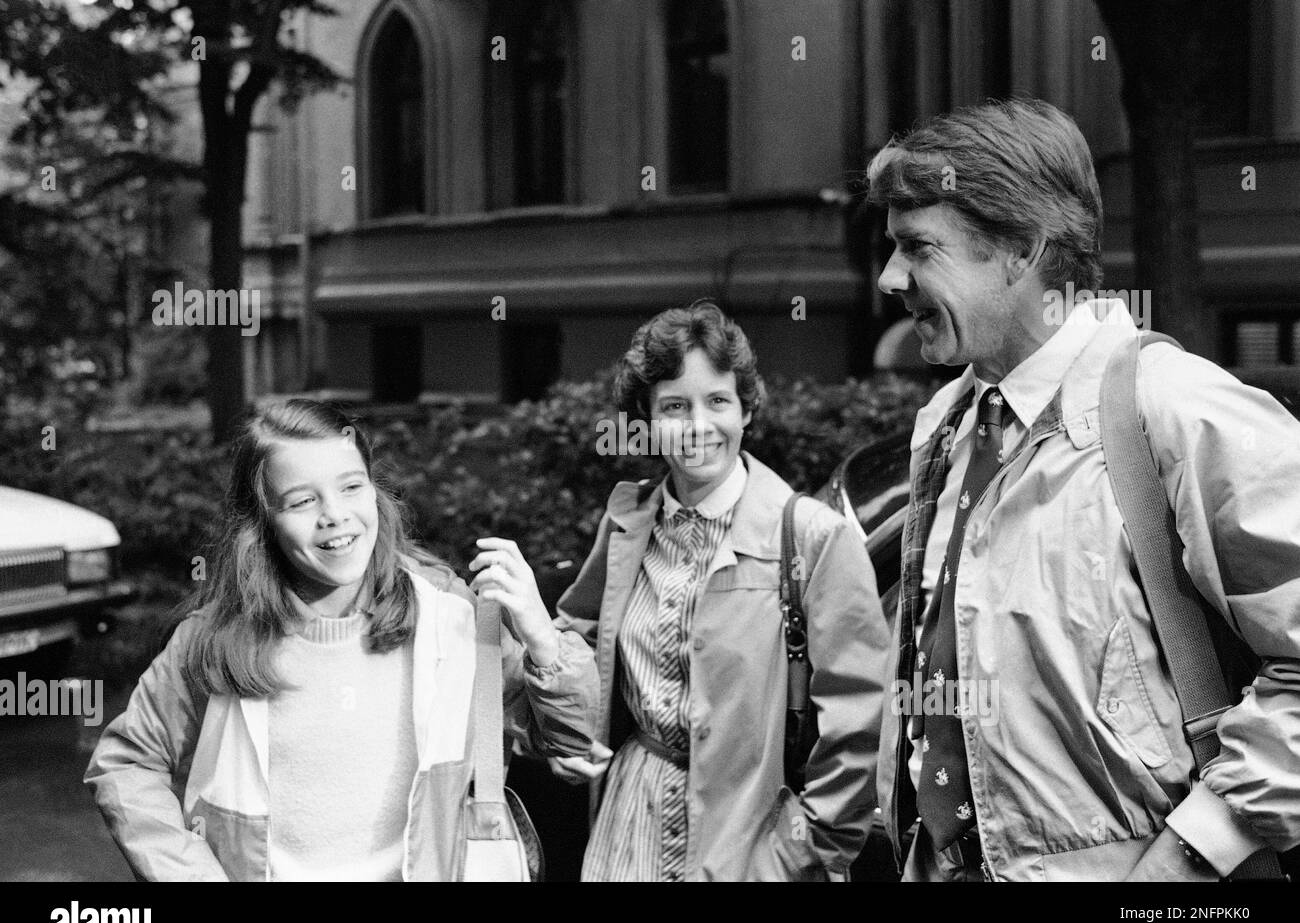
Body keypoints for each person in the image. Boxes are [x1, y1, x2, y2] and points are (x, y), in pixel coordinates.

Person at [866, 97, 1300, 881]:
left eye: (917, 247)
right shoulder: (948, 422)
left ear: (1022, 249)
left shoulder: (1175, 408)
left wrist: (1195, 853)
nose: (891, 277)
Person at [85, 399, 596, 881]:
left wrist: (540, 633)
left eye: (351, 487)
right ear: (263, 523)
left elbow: (571, 740)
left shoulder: (452, 617)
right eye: (303, 500)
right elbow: (128, 762)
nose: (334, 514)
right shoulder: (213, 640)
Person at [477, 301, 891, 881]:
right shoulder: (627, 524)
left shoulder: (812, 537)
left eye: (718, 401)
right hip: (630, 827)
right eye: (674, 406)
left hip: (753, 838)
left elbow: (860, 723)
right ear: (644, 421)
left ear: (746, 409)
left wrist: (802, 855)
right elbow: (577, 700)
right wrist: (542, 645)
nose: (698, 425)